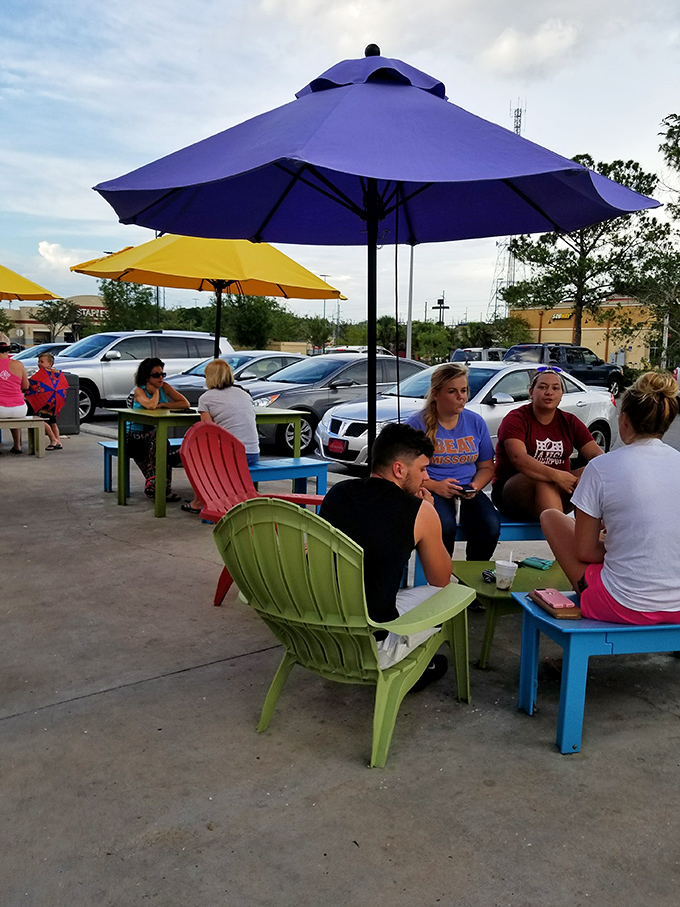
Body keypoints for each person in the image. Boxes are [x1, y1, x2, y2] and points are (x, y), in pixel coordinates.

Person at [319, 422, 453, 685]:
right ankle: (411, 667)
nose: (426, 477)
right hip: (373, 642)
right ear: (399, 469)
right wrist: (430, 513)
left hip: (323, 630)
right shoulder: (419, 510)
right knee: (450, 595)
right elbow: (440, 580)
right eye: (423, 469)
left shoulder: (338, 492)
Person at [541, 372, 680, 624]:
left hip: (625, 604)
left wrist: (618, 543)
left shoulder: (602, 467)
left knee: (551, 517)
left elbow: (585, 551)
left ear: (624, 420)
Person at [406, 362, 500, 559]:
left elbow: (486, 467)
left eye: (464, 390)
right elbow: (407, 471)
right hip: (431, 487)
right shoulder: (417, 424)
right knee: (444, 526)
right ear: (436, 393)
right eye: (452, 391)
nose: (461, 397)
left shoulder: (475, 421)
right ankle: (440, 579)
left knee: (490, 526)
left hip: (467, 488)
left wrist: (475, 486)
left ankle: (471, 577)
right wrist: (435, 486)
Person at [492, 366, 604, 520]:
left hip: (561, 489)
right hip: (514, 494)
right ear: (531, 392)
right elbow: (519, 458)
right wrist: (556, 475)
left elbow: (597, 455)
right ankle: (565, 538)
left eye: (555, 388)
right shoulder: (516, 419)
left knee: (590, 472)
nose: (549, 392)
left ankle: (589, 535)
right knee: (543, 480)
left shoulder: (569, 421)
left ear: (561, 394)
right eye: (542, 387)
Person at [182, 358, 260, 514]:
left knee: (199, 457)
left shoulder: (206, 398)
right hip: (253, 453)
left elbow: (208, 433)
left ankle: (199, 502)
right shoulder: (244, 394)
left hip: (234, 457)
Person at [127, 357, 190, 502]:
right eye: (156, 375)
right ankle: (160, 486)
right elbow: (150, 406)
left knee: (162, 444)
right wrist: (155, 393)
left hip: (153, 435)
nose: (160, 378)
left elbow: (184, 403)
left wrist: (164, 405)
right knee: (161, 445)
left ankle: (157, 485)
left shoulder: (165, 387)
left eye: (162, 374)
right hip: (135, 436)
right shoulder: (139, 391)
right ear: (146, 377)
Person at [28, 352, 64, 450]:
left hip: (43, 402)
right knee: (53, 422)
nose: (39, 364)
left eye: (41, 362)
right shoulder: (56, 374)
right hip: (53, 401)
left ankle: (53, 440)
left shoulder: (41, 375)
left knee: (41, 421)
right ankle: (59, 441)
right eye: (38, 361)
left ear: (50, 364)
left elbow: (31, 384)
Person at [0, 336, 29, 454]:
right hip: (19, 409)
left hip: (0, 408)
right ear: (9, 348)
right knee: (14, 417)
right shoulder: (19, 364)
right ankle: (17, 445)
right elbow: (25, 386)